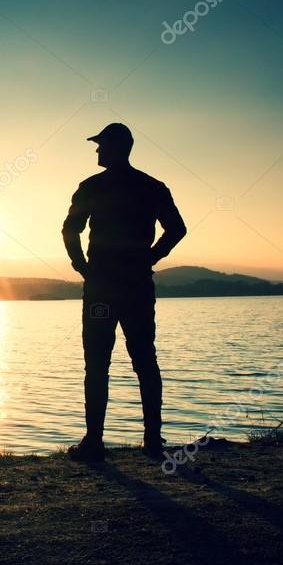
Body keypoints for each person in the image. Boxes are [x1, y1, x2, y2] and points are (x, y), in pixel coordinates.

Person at [61, 123, 186, 461]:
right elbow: (177, 229)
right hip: (136, 285)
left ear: (116, 148)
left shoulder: (91, 186)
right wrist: (150, 257)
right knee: (145, 359)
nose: (97, 151)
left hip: (102, 287)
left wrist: (81, 265)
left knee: (98, 362)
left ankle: (94, 443)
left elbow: (69, 230)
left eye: (101, 146)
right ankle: (153, 442)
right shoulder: (152, 187)